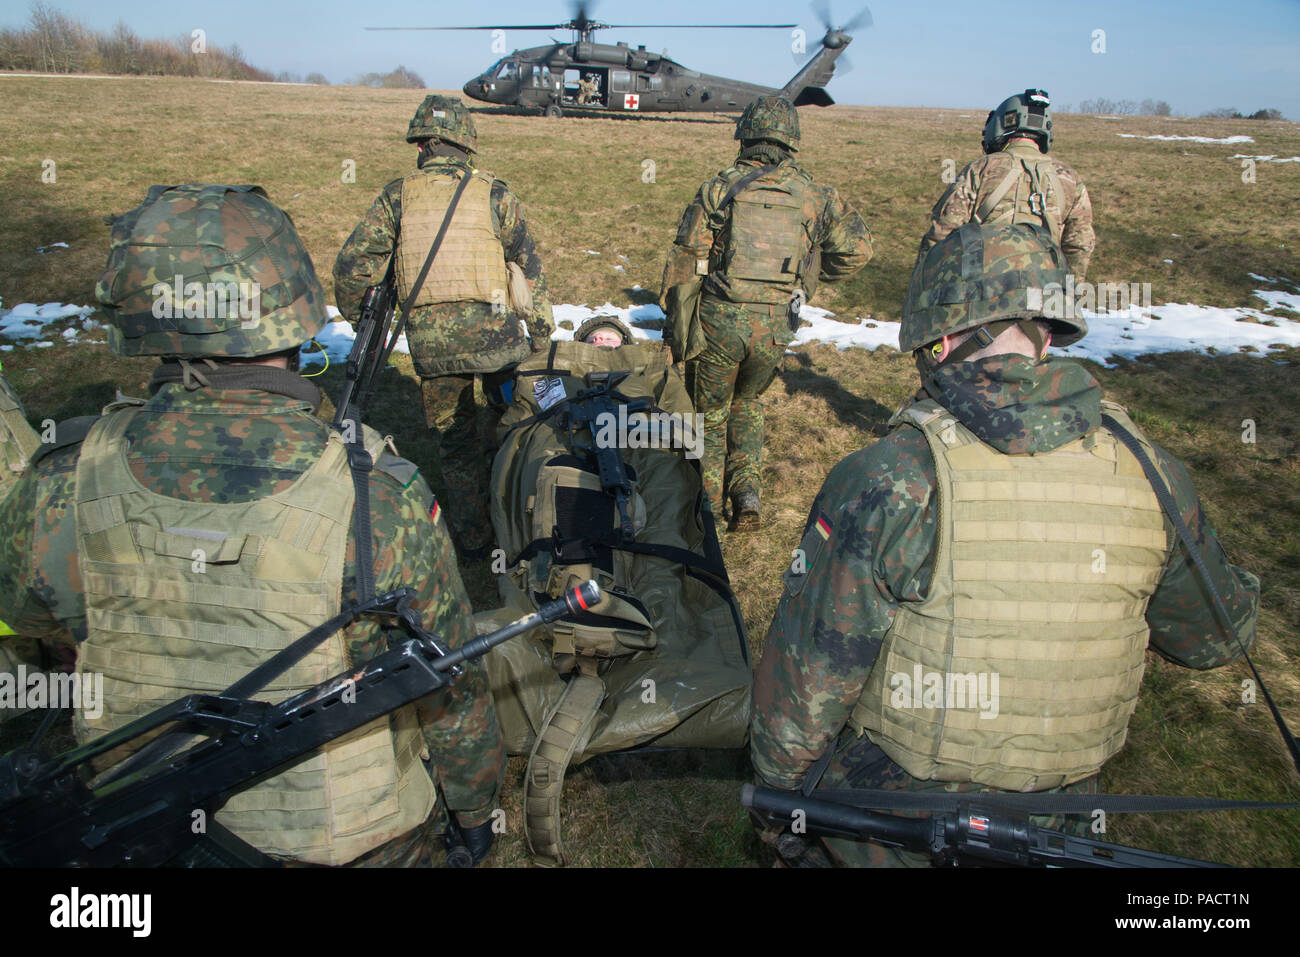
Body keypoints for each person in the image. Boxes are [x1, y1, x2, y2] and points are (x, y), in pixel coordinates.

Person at [0, 184, 505, 867]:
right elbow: (451, 686)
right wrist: (475, 814)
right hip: (349, 844)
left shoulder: (64, 481)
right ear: (290, 312)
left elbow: (26, 615)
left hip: (136, 832)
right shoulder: (377, 496)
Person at [749, 222, 1260, 867]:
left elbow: (805, 687)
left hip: (895, 823)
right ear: (1047, 333)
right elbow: (1219, 635)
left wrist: (780, 805)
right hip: (1063, 828)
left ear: (939, 338)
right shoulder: (1149, 471)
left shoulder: (896, 475)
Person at [334, 94, 554, 560]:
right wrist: (539, 336)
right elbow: (528, 267)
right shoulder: (495, 193)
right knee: (512, 426)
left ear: (421, 148)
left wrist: (364, 323)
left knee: (455, 445)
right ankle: (516, 523)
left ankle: (473, 541)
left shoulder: (398, 195)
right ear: (467, 148)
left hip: (434, 347)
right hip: (499, 338)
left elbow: (354, 264)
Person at [659, 95, 872, 528]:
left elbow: (685, 258)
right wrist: (807, 277)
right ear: (791, 140)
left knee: (710, 415)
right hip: (777, 325)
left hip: (720, 321)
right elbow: (858, 250)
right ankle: (748, 496)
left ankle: (707, 511)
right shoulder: (816, 194)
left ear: (745, 133)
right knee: (749, 402)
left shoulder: (720, 188)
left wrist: (674, 324)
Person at [920, 89, 1095, 279]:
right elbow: (1080, 244)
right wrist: (1071, 294)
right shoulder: (1069, 178)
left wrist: (925, 286)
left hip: (984, 295)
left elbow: (942, 234)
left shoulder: (981, 169)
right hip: (1044, 293)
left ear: (1002, 123)